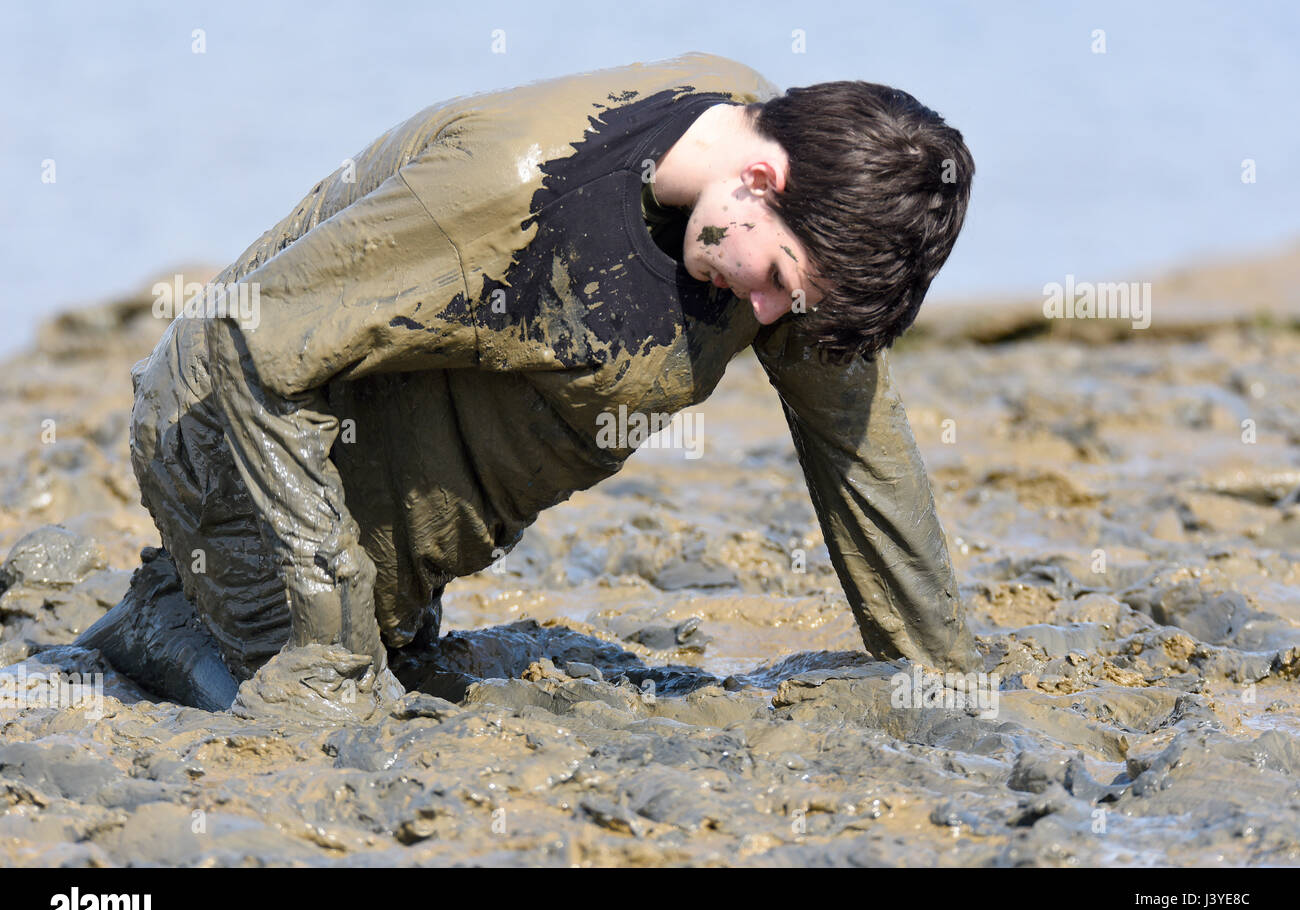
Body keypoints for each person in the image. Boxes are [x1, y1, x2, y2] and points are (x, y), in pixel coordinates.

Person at [79, 51, 980, 710]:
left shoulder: (783, 192)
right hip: (223, 428)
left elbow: (858, 435)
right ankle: (161, 623)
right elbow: (251, 339)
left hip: (400, 489)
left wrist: (943, 674)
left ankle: (324, 616)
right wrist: (328, 634)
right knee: (330, 706)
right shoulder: (515, 186)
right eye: (780, 280)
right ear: (758, 178)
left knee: (387, 661)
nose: (773, 319)